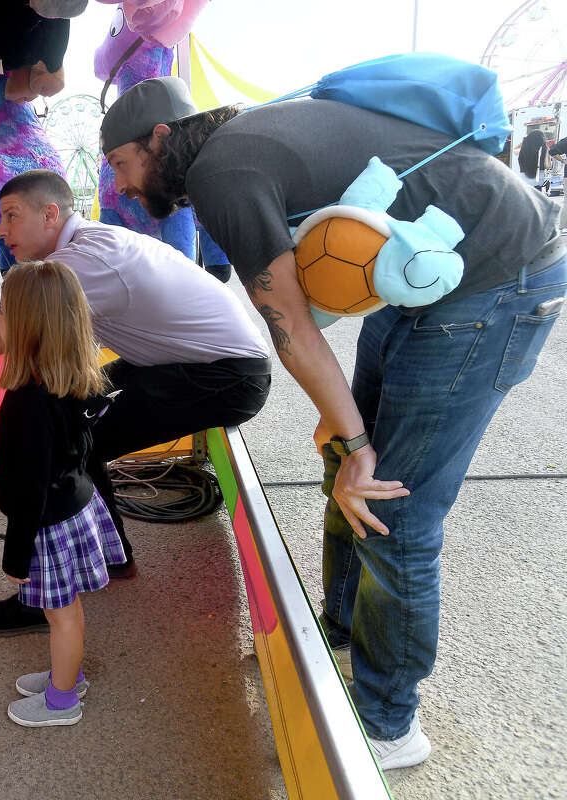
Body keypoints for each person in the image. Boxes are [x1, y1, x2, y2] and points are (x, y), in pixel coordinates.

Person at [100, 76, 565, 770]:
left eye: (120, 164)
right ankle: (343, 633)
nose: (121, 186)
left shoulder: (221, 172)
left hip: (499, 276)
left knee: (391, 504)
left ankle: (389, 724)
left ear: (160, 139)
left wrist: (356, 439)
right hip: (438, 279)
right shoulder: (243, 144)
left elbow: (288, 326)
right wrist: (347, 434)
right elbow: (318, 299)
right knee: (347, 461)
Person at [0, 169, 272, 636]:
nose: (0, 230)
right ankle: (107, 555)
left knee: (72, 447)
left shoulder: (85, 261)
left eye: (11, 216)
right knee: (73, 431)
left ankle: (57, 587)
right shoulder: (88, 245)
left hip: (223, 375)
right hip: (185, 363)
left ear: (50, 214)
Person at [0, 259, 125, 727]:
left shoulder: (28, 403)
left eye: (3, 311)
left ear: (25, 326)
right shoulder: (71, 380)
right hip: (75, 505)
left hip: (47, 523)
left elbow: (29, 491)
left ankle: (62, 701)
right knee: (66, 611)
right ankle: (69, 674)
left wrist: (15, 557)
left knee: (61, 614)